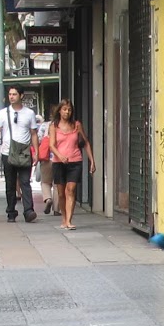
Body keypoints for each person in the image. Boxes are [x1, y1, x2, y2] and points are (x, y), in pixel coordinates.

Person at [48, 99, 95, 231]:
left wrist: (92, 160)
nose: (67, 112)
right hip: (59, 162)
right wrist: (60, 156)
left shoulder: (77, 125)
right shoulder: (54, 126)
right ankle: (64, 218)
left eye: (69, 110)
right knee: (61, 193)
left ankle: (69, 220)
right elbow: (51, 145)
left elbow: (86, 142)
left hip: (75, 161)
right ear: (60, 110)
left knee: (71, 189)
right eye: (64, 109)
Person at [0, 87, 39, 223]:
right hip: (8, 152)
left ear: (21, 95)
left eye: (14, 94)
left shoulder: (29, 113)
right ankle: (11, 212)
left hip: (24, 152)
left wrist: (36, 152)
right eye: (10, 94)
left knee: (25, 182)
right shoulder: (2, 113)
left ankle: (28, 211)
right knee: (10, 184)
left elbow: (33, 134)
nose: (12, 97)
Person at [37, 110, 55, 215]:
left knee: (45, 182)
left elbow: (39, 139)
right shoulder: (63, 126)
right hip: (59, 157)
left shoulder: (45, 126)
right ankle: (57, 209)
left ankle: (48, 198)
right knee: (58, 184)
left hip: (46, 157)